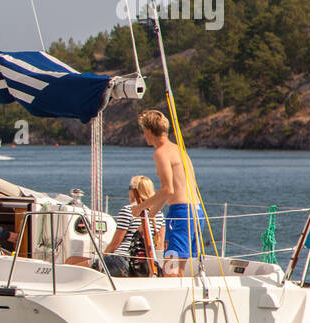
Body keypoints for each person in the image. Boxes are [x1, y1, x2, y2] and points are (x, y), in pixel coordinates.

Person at [131, 109, 207, 274]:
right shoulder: (179, 150)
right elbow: (170, 193)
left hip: (180, 214)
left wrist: (140, 207)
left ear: (149, 132)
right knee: (178, 269)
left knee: (170, 271)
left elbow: (167, 189)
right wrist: (147, 218)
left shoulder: (161, 153)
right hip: (196, 212)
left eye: (144, 131)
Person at [67, 175, 165, 276]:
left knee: (71, 261)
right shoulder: (159, 214)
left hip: (121, 262)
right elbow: (159, 245)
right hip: (144, 265)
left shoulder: (129, 210)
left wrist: (102, 258)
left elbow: (115, 244)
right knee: (75, 260)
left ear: (133, 191)